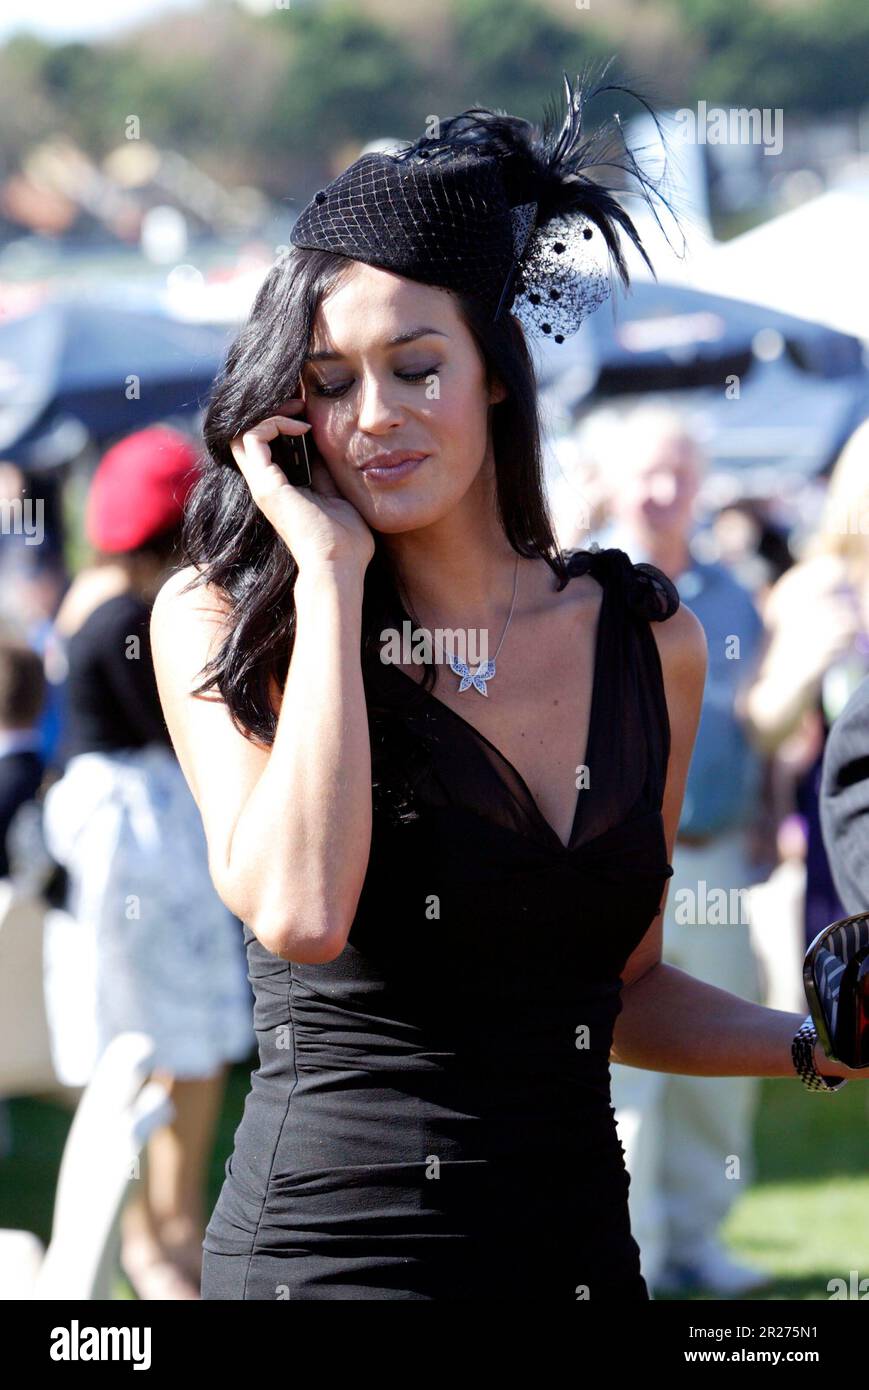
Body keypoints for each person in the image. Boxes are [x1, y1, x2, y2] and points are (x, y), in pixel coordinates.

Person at [151, 69, 868, 1302]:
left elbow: (623, 987)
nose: (373, 416)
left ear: (492, 374)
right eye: (328, 382)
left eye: (414, 368)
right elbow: (300, 912)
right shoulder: (229, 620)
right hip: (331, 1266)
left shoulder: (650, 643)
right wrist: (327, 578)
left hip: (578, 1262)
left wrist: (818, 1047)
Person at [41, 425, 254, 1300]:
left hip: (102, 843)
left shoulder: (88, 596)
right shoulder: (147, 614)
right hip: (152, 848)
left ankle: (150, 1238)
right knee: (187, 1050)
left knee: (134, 1048)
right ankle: (169, 1241)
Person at [583, 403, 770, 1294]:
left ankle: (698, 1240)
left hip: (719, 857)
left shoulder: (733, 591)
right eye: (646, 472)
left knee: (721, 1067)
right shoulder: (581, 586)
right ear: (612, 479)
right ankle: (641, 1259)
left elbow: (756, 728)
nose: (663, 490)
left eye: (679, 473)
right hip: (622, 864)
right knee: (628, 1077)